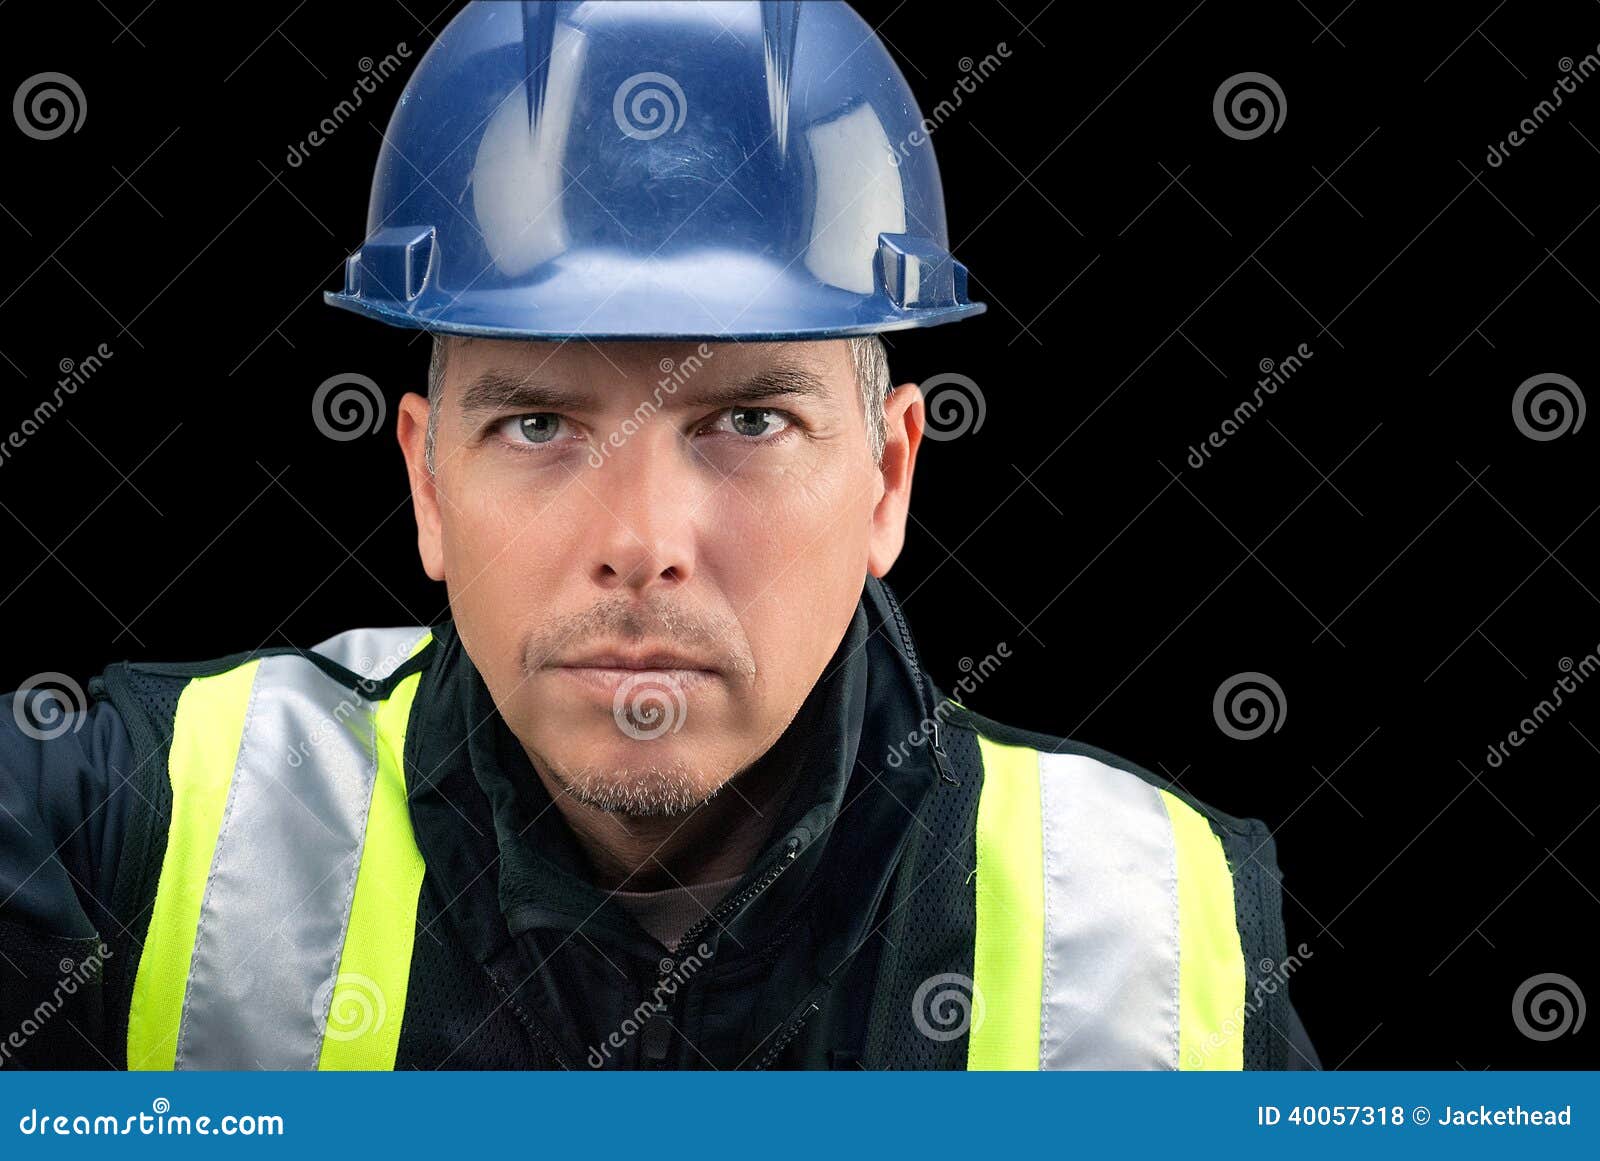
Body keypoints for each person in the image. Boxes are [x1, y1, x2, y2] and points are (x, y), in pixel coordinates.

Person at [0, 0, 1319, 1070]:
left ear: (886, 479)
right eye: (536, 425)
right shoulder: (131, 819)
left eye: (745, 418)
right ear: (428, 484)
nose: (643, 541)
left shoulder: (1148, 931)